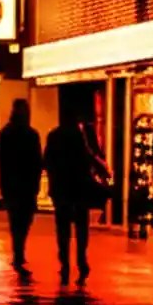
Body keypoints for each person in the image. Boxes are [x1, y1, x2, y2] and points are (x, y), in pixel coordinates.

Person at [44, 107, 109, 285]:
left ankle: (64, 262)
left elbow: (47, 160)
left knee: (63, 227)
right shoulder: (78, 136)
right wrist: (102, 170)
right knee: (81, 226)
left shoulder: (54, 136)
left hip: (60, 188)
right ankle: (81, 260)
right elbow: (87, 157)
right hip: (78, 188)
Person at [0, 99, 44, 276]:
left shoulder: (5, 134)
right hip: (27, 184)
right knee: (24, 220)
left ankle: (18, 250)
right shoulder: (32, 135)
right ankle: (19, 250)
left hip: (11, 183)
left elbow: (2, 162)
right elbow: (37, 162)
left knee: (15, 219)